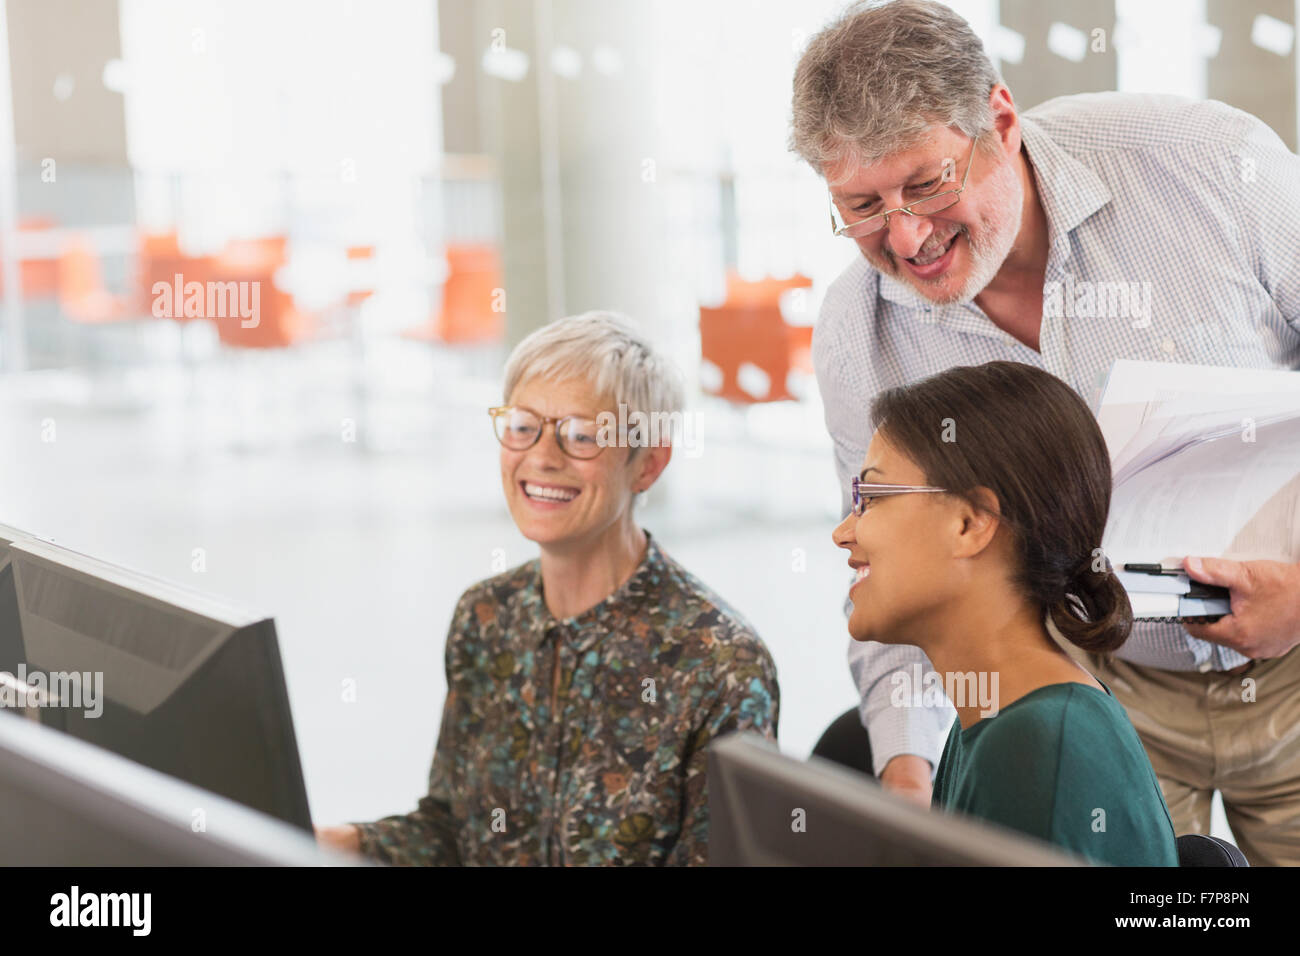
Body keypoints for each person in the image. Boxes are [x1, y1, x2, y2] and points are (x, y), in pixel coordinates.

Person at [792, 0, 1300, 864]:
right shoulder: (859, 332)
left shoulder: (1211, 167)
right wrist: (908, 789)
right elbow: (903, 576)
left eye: (927, 184)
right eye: (863, 206)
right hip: (1101, 679)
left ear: (999, 120)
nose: (907, 238)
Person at [315, 311, 779, 865]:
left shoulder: (721, 665)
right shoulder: (485, 616)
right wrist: (335, 841)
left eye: (581, 435)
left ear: (648, 464)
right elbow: (453, 831)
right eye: (522, 426)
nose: (541, 456)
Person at [833, 361, 1178, 865]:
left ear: (970, 523)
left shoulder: (1034, 746)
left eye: (872, 497)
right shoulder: (990, 720)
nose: (843, 532)